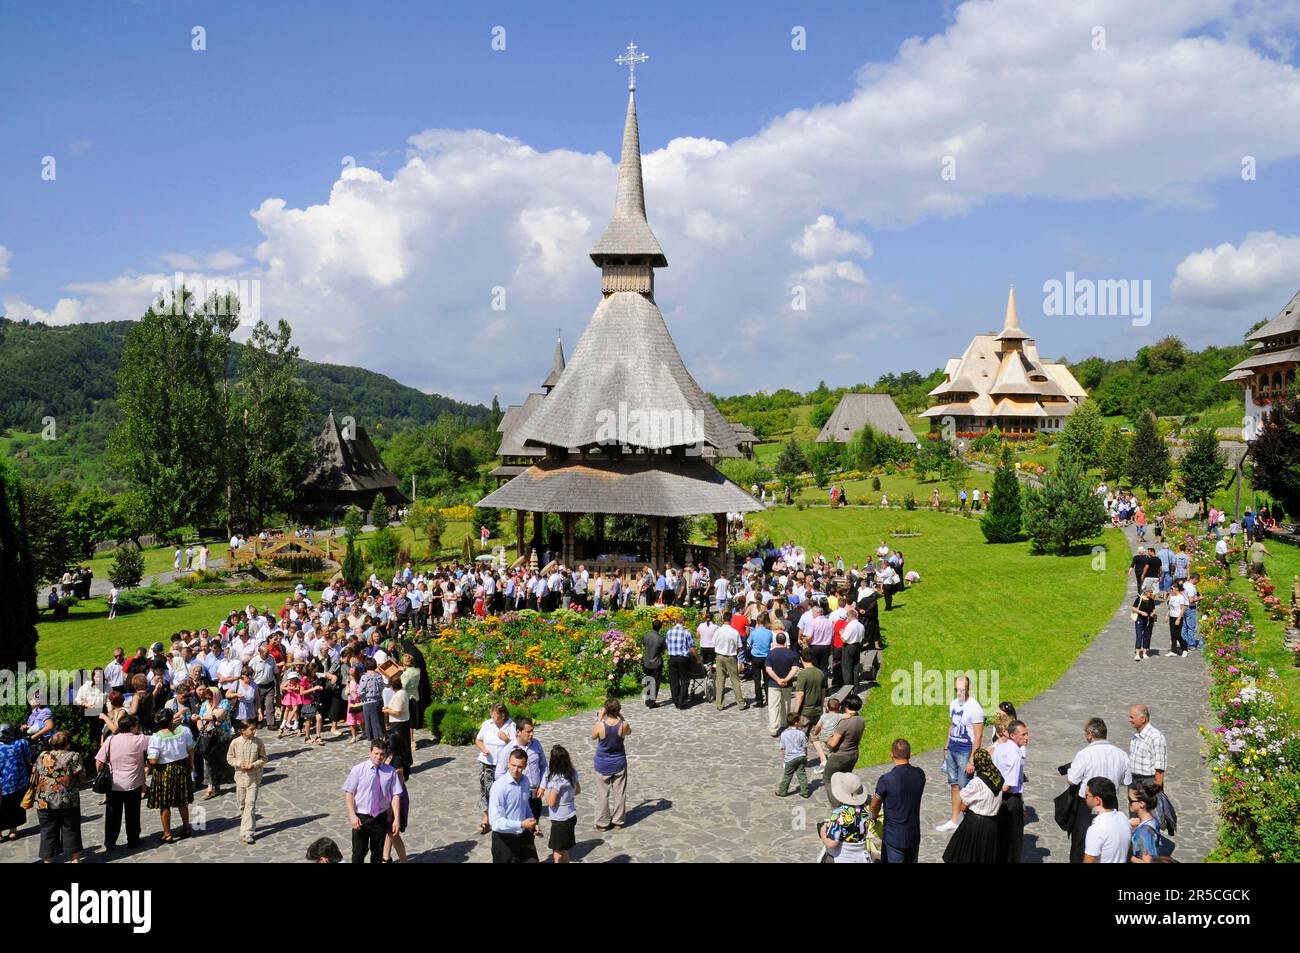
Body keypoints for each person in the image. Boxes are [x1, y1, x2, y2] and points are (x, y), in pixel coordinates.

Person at [1066, 718, 1132, 863]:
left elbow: (1072, 780)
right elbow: (1126, 781)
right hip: (1111, 803)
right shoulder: (1121, 754)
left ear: (1090, 734)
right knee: (1112, 841)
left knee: (1081, 843)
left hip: (1087, 804)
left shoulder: (1084, 754)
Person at [342, 738, 405, 864]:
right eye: (376, 753)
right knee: (359, 852)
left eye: (381, 754)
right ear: (369, 752)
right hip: (361, 817)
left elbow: (396, 795)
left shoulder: (390, 772)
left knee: (377, 853)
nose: (378, 757)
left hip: (380, 817)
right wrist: (352, 815)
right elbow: (349, 793)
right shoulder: (358, 770)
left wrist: (396, 818)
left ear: (385, 755)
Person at [937, 675, 985, 832]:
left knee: (966, 788)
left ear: (968, 689)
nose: (959, 693)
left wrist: (972, 760)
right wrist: (946, 747)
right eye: (957, 690)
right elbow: (951, 726)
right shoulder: (953, 704)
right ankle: (954, 819)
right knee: (954, 784)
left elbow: (978, 736)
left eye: (962, 690)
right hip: (953, 748)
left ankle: (967, 822)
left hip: (965, 751)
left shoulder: (975, 707)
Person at [95, 713, 149, 852]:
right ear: (133, 727)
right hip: (133, 783)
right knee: (133, 813)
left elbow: (99, 762)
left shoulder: (110, 740)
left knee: (112, 815)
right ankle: (133, 840)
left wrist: (101, 773)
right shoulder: (140, 739)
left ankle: (110, 842)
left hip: (114, 783)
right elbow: (158, 740)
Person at [942, 747, 1003, 863]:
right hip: (992, 824)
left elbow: (963, 803)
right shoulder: (998, 776)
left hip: (975, 824)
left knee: (966, 856)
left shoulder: (977, 783)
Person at [870, 738, 926, 863]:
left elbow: (874, 804)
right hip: (913, 834)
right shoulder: (920, 774)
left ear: (891, 755)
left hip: (894, 836)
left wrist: (873, 817)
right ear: (910, 754)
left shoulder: (886, 779)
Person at [32, 731, 84, 863]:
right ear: (67, 744)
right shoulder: (73, 756)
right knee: (71, 828)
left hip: (44, 799)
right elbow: (81, 776)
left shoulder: (42, 755)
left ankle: (48, 861)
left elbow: (35, 773)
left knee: (47, 830)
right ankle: (74, 860)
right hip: (67, 799)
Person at [147, 710, 195, 844]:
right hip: (182, 767)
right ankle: (186, 827)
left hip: (164, 771)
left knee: (165, 803)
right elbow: (190, 749)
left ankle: (167, 834)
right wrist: (191, 764)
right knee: (182, 801)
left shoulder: (156, 737)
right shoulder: (184, 731)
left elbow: (153, 760)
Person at [488, 748, 539, 862]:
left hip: (523, 837)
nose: (515, 770)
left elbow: (525, 806)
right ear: (508, 764)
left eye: (520, 767)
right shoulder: (499, 787)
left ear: (525, 766)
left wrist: (532, 822)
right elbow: (496, 822)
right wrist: (521, 824)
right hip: (504, 841)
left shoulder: (525, 781)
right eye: (513, 765)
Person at [495, 718, 547, 827]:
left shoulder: (536, 744)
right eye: (528, 732)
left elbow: (544, 766)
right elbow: (499, 774)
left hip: (535, 796)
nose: (532, 734)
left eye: (533, 731)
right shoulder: (508, 750)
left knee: (533, 826)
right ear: (518, 732)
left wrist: (542, 785)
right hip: (519, 796)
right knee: (520, 829)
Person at [475, 703, 516, 835]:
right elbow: (478, 740)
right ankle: (486, 819)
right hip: (487, 763)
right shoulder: (487, 724)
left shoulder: (511, 725)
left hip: (503, 766)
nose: (492, 716)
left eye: (495, 714)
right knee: (486, 791)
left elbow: (516, 746)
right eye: (491, 713)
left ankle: (502, 818)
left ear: (502, 715)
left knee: (503, 791)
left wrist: (507, 739)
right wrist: (483, 749)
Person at [591, 697, 630, 831]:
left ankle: (602, 823)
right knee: (619, 793)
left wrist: (599, 718)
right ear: (618, 710)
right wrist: (621, 717)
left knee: (602, 794)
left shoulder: (601, 725)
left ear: (606, 710)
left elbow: (593, 736)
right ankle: (618, 821)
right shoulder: (623, 725)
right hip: (619, 762)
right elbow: (629, 731)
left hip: (602, 764)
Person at [992, 719, 1028, 863]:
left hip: (996, 796)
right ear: (1013, 735)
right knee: (1013, 841)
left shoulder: (999, 748)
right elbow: (1009, 785)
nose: (1027, 737)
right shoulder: (1015, 755)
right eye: (1023, 734)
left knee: (999, 838)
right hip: (1010, 800)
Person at [227, 719, 267, 845]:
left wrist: (254, 765)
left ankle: (247, 832)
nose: (254, 731)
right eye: (251, 729)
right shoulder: (235, 743)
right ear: (242, 730)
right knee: (242, 804)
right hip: (240, 779)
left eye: (255, 729)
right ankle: (248, 822)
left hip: (254, 779)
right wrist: (239, 763)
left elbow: (264, 758)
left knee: (250, 804)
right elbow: (229, 757)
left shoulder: (258, 742)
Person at [818, 773, 872, 863]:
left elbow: (832, 844)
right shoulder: (865, 810)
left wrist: (822, 832)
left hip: (843, 857)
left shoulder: (839, 814)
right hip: (861, 857)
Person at [822, 694, 865, 804]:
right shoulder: (861, 720)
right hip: (853, 754)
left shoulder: (844, 722)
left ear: (846, 706)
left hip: (840, 757)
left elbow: (833, 744)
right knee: (845, 781)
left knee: (828, 780)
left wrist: (826, 742)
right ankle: (847, 803)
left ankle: (837, 808)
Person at [542, 744, 580, 862]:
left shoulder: (557, 780)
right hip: (571, 815)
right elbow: (578, 790)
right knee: (564, 851)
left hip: (560, 820)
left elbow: (552, 802)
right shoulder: (573, 773)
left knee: (557, 854)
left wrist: (545, 794)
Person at [1082, 777, 1130, 863]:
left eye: (1087, 795)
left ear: (1097, 800)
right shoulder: (1123, 817)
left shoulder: (1096, 829)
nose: (1085, 797)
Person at [0, 724, 33, 842]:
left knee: (1, 807)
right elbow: (29, 758)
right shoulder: (21, 743)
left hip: (1, 783)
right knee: (15, 805)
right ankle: (13, 831)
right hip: (18, 781)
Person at [764, 631, 800, 738]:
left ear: (776, 641)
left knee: (773, 706)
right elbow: (794, 669)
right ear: (785, 641)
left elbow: (768, 669)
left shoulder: (771, 653)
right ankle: (785, 724)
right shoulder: (792, 653)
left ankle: (774, 728)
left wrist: (778, 680)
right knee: (786, 705)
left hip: (773, 684)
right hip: (787, 684)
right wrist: (785, 679)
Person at [712, 610, 748, 711]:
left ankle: (719, 704)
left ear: (723, 619)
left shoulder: (718, 631)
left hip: (719, 656)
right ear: (731, 620)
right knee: (735, 680)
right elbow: (739, 646)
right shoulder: (734, 632)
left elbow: (713, 643)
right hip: (731, 656)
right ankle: (741, 703)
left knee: (720, 680)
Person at [1127, 704, 1167, 793]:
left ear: (1143, 719)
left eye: (1132, 717)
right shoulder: (1136, 736)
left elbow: (1159, 769)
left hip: (1148, 783)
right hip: (1134, 781)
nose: (1129, 720)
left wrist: (1156, 791)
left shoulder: (1156, 737)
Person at [1128, 780, 1167, 862]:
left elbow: (1147, 861)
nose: (1129, 803)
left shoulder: (1143, 832)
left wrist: (1127, 856)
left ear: (1142, 804)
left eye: (1130, 800)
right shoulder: (1153, 820)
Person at [664, 617, 696, 710]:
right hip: (682, 658)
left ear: (675, 621)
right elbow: (692, 647)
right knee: (685, 680)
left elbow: (667, 644)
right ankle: (682, 702)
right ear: (683, 622)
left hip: (672, 658)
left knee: (674, 680)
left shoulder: (669, 632)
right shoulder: (686, 632)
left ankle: (676, 700)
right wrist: (697, 658)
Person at [776, 714, 811, 798]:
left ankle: (782, 791)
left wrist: (784, 759)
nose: (800, 723)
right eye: (799, 721)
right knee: (802, 774)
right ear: (796, 723)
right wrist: (805, 756)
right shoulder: (802, 733)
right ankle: (805, 792)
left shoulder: (784, 734)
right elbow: (805, 747)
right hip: (801, 756)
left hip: (790, 758)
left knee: (787, 775)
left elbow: (782, 748)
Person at [791, 648, 826, 731]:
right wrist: (821, 707)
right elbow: (823, 692)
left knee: (802, 737)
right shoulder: (820, 673)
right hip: (817, 711)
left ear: (801, 659)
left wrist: (795, 712)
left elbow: (800, 694)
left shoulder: (802, 674)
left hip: (805, 712)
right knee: (815, 738)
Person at [809, 696, 842, 774]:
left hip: (825, 737)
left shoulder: (823, 716)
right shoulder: (840, 716)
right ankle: (828, 760)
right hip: (834, 737)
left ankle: (824, 760)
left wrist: (815, 732)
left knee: (813, 735)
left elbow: (817, 726)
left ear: (827, 707)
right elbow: (847, 716)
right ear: (839, 708)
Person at [641, 618, 666, 709]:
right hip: (656, 663)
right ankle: (651, 702)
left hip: (647, 661)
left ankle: (648, 700)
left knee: (648, 680)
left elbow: (644, 645)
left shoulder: (646, 635)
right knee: (655, 682)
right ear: (660, 627)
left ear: (652, 626)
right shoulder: (661, 639)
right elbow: (663, 652)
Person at [1132, 587, 1157, 662]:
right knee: (1139, 636)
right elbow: (1133, 608)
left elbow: (1153, 608)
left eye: (1152, 592)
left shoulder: (1151, 600)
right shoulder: (1139, 599)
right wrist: (1141, 612)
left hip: (1149, 620)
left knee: (1147, 636)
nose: (1151, 593)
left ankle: (1144, 653)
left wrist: (1153, 613)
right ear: (1145, 592)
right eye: (1150, 592)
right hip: (1140, 619)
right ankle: (1137, 654)